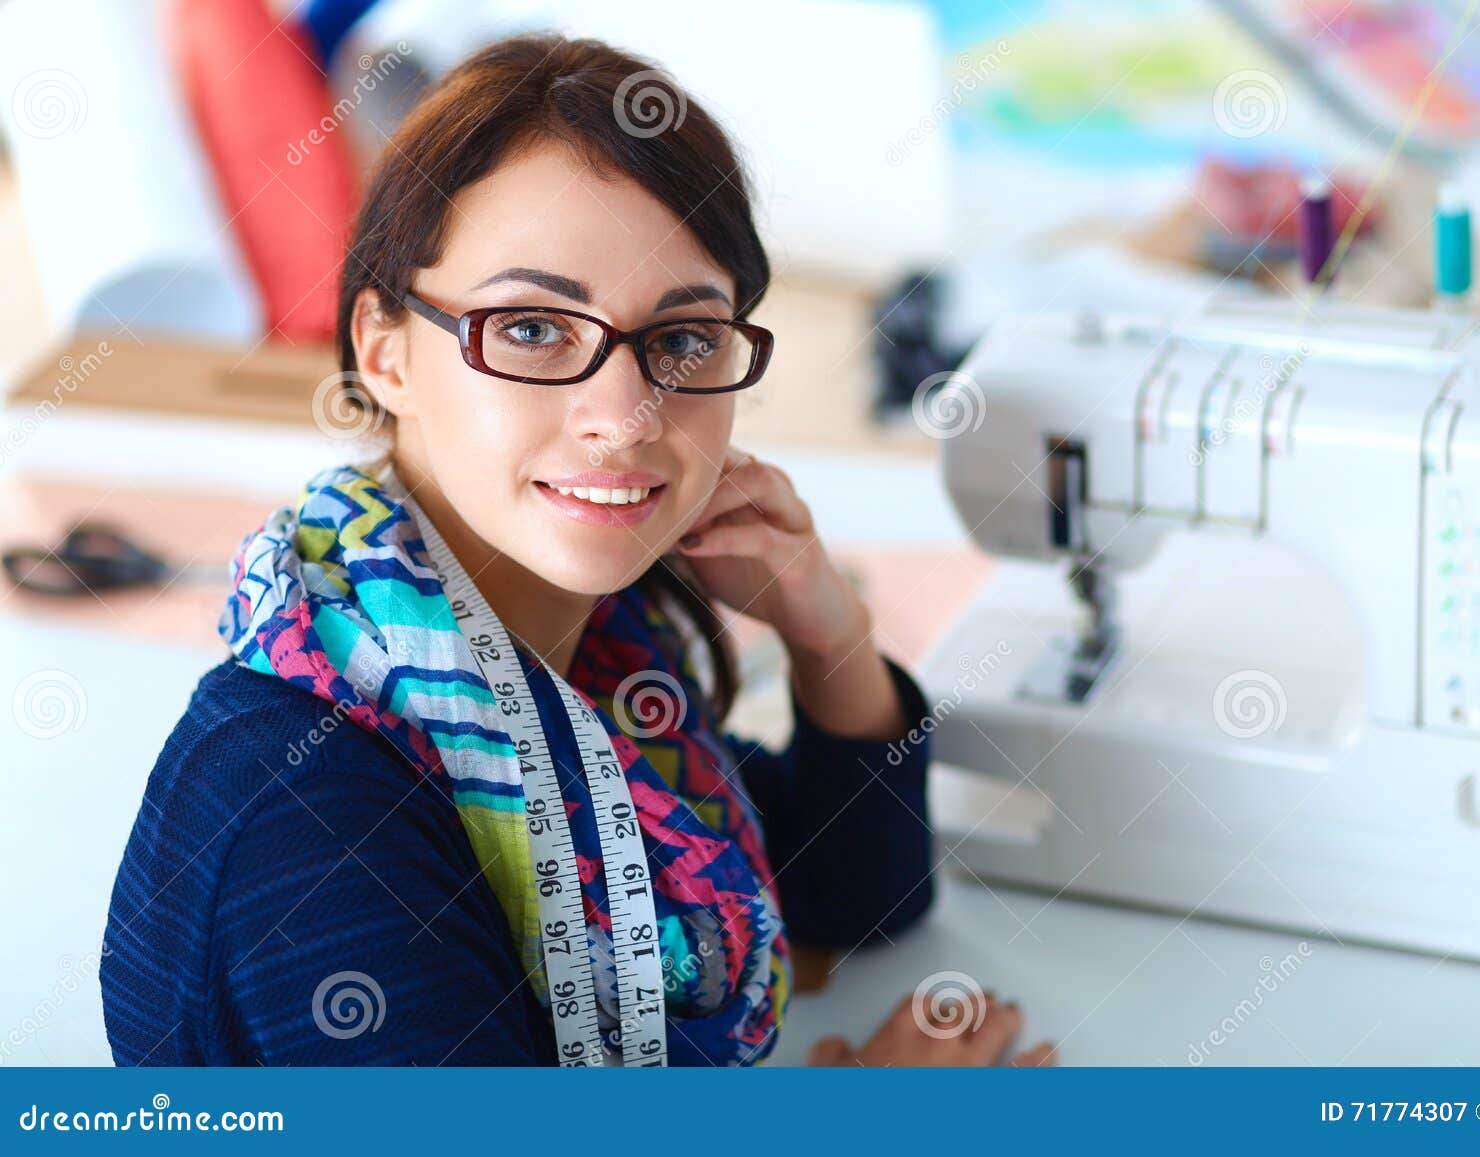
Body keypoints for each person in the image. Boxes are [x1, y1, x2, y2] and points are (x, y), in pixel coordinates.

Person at [101, 32, 1053, 1068]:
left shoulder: (597, 652)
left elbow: (856, 898)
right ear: (383, 351)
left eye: (683, 339)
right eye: (532, 329)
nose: (627, 416)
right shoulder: (306, 806)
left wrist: (826, 627)